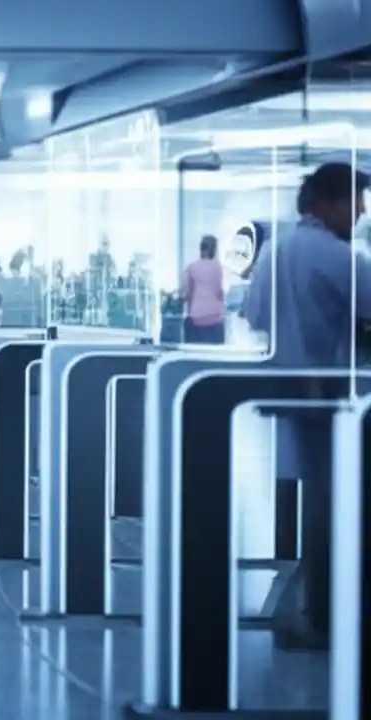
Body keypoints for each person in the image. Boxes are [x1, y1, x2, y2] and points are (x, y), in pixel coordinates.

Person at [245, 162, 369, 650]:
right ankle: (323, 617)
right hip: (334, 396)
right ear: (328, 202)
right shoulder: (338, 256)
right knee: (334, 506)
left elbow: (255, 316)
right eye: (355, 203)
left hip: (289, 390)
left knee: (317, 501)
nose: (358, 214)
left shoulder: (275, 250)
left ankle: (309, 611)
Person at [181, 234, 226, 344]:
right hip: (215, 319)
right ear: (214, 250)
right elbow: (219, 292)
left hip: (196, 319)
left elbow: (187, 293)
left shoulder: (191, 267)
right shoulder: (218, 267)